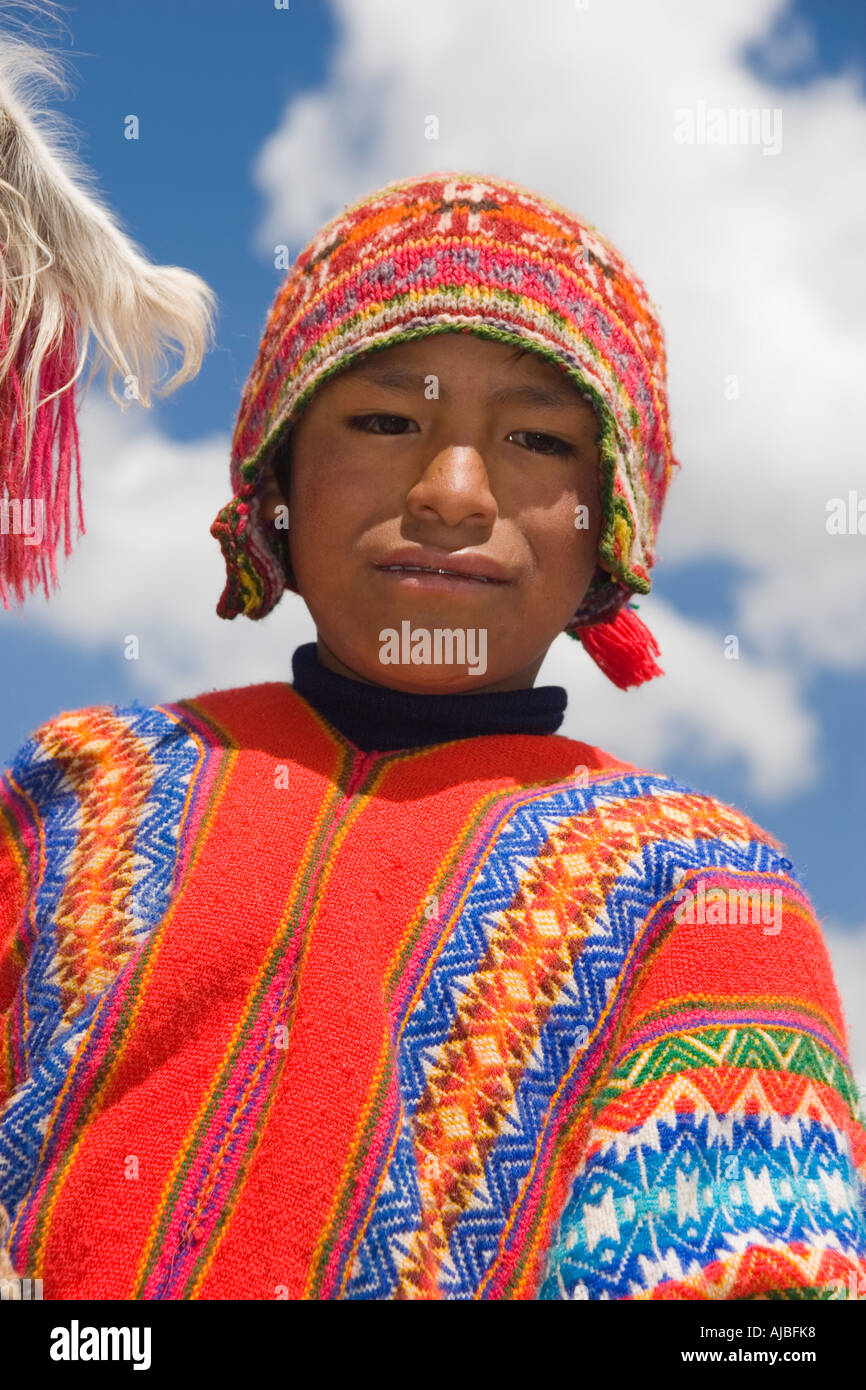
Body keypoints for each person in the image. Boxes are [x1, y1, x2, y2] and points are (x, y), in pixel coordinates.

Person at [1, 162, 865, 1300]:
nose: (453, 489)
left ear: (607, 525)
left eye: (537, 442)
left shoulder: (699, 891)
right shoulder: (78, 790)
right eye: (382, 418)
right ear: (275, 486)